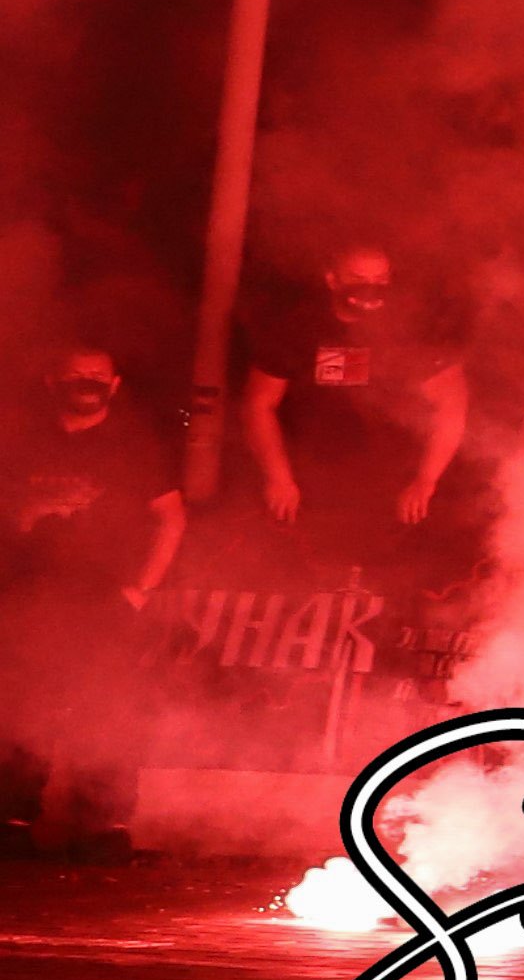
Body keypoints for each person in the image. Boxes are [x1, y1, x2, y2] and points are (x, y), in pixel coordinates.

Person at [3, 343, 188, 856]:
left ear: (115, 385)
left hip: (106, 601)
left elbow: (172, 518)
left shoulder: (134, 445)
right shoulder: (20, 442)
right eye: (75, 375)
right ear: (51, 382)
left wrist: (142, 589)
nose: (86, 382)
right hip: (27, 598)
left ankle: (102, 827)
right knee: (21, 708)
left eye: (96, 376)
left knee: (106, 709)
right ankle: (13, 821)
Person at [233, 244, 471, 570]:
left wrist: (426, 479)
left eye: (381, 278)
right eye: (358, 278)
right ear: (332, 280)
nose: (370, 287)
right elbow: (259, 405)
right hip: (308, 489)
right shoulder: (297, 328)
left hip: (393, 493)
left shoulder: (410, 331)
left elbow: (452, 404)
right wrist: (279, 478)